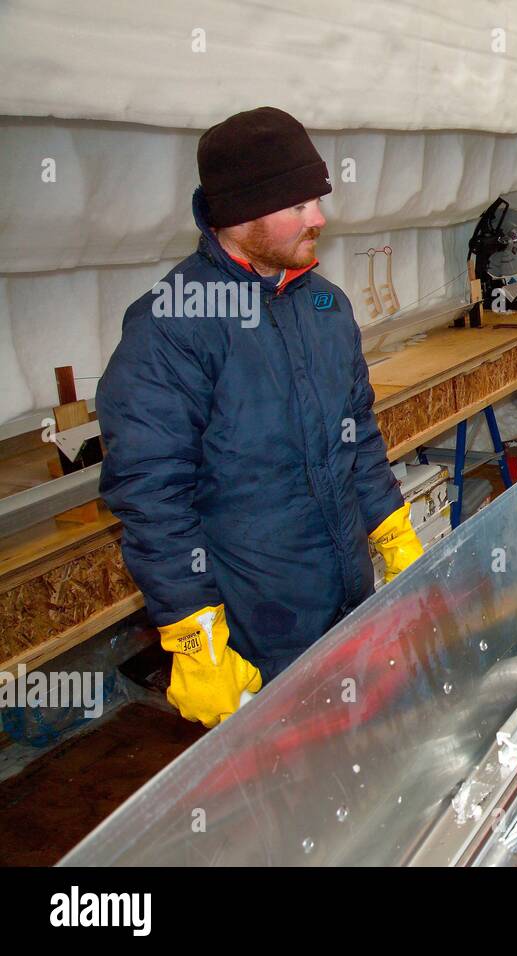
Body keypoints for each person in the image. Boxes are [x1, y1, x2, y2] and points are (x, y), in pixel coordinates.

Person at [98, 107, 423, 728]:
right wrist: (194, 636)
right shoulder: (171, 325)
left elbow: (357, 440)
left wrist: (393, 536)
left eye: (317, 201)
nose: (319, 219)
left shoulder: (326, 308)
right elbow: (152, 495)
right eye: (298, 206)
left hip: (348, 602)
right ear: (242, 212)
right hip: (258, 634)